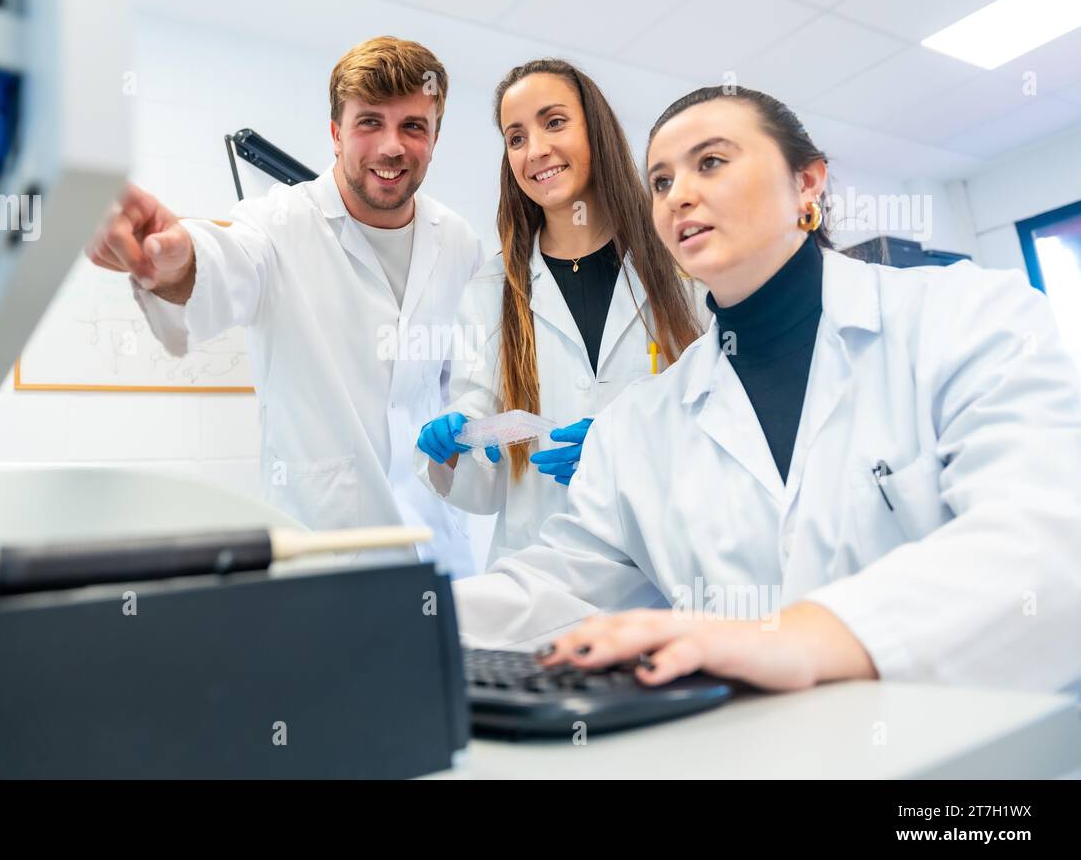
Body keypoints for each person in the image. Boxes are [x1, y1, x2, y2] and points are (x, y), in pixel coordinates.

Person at [452, 85, 1081, 694]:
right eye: (662, 182)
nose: (679, 196)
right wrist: (407, 616)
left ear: (807, 182)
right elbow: (555, 591)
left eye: (712, 163)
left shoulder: (969, 317)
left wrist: (800, 638)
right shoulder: (638, 425)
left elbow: (1045, 544)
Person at [85, 37, 483, 576]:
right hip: (324, 554)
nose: (392, 146)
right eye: (369, 122)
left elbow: (463, 378)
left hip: (439, 547)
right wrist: (173, 260)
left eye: (413, 126)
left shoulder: (458, 241)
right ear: (336, 134)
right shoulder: (278, 224)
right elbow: (221, 260)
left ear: (435, 137)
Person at [413, 59, 699, 568]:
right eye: (515, 137)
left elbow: (726, 426)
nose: (536, 150)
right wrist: (456, 448)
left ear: (596, 130)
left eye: (554, 122)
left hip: (665, 572)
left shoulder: (681, 269)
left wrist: (629, 450)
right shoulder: (490, 289)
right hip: (540, 577)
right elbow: (485, 488)